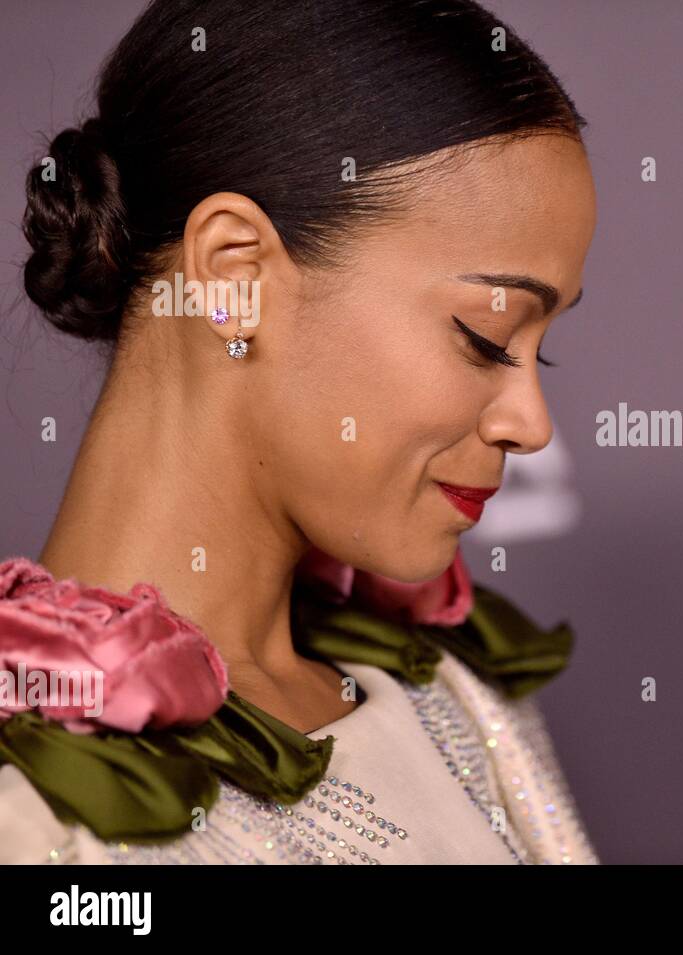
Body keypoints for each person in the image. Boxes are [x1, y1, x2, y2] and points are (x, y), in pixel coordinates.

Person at [0, 0, 598, 864]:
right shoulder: (37, 815)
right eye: (487, 334)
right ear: (234, 276)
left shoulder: (460, 704)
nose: (531, 424)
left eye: (540, 353)